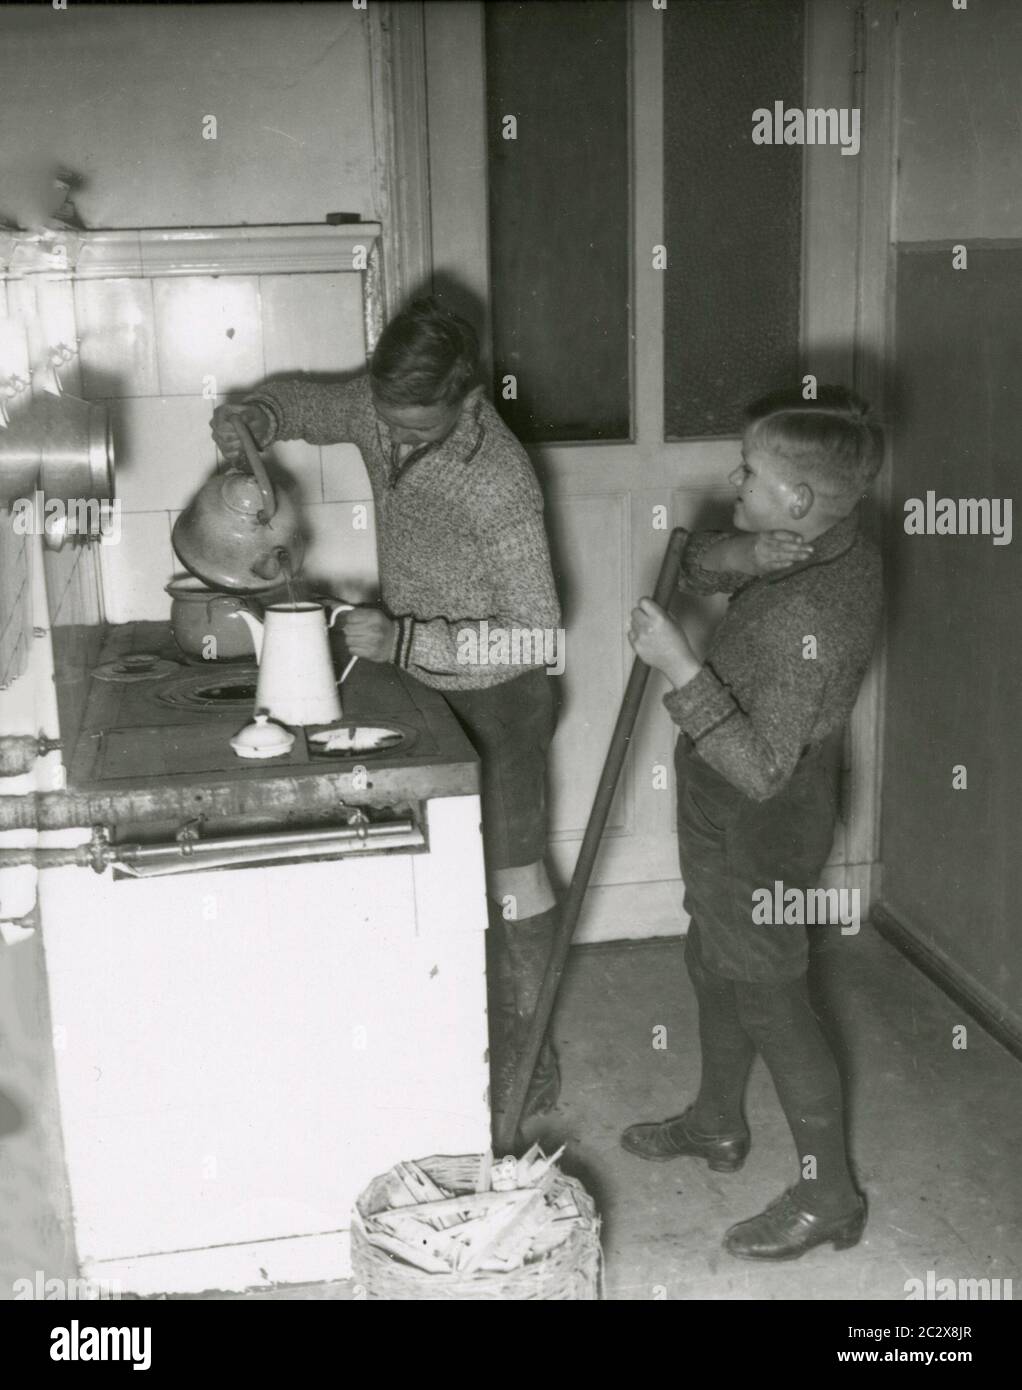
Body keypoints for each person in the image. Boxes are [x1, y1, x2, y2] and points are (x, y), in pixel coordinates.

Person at [210, 298, 563, 1123]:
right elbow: (303, 405)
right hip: (418, 688)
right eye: (388, 424)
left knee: (512, 879)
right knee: (423, 867)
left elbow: (535, 636)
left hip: (502, 700)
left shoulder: (500, 481)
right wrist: (253, 418)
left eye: (417, 432)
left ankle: (533, 1051)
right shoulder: (378, 407)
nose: (394, 444)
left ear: (469, 397)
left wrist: (404, 640)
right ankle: (438, 1032)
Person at [621, 386, 884, 1261]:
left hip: (757, 810)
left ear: (799, 500)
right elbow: (699, 564)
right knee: (713, 953)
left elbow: (762, 768)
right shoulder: (832, 544)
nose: (733, 479)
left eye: (750, 474)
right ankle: (716, 1122)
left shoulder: (807, 612)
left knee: (769, 991)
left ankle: (830, 1195)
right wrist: (748, 552)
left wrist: (680, 663)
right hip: (751, 800)